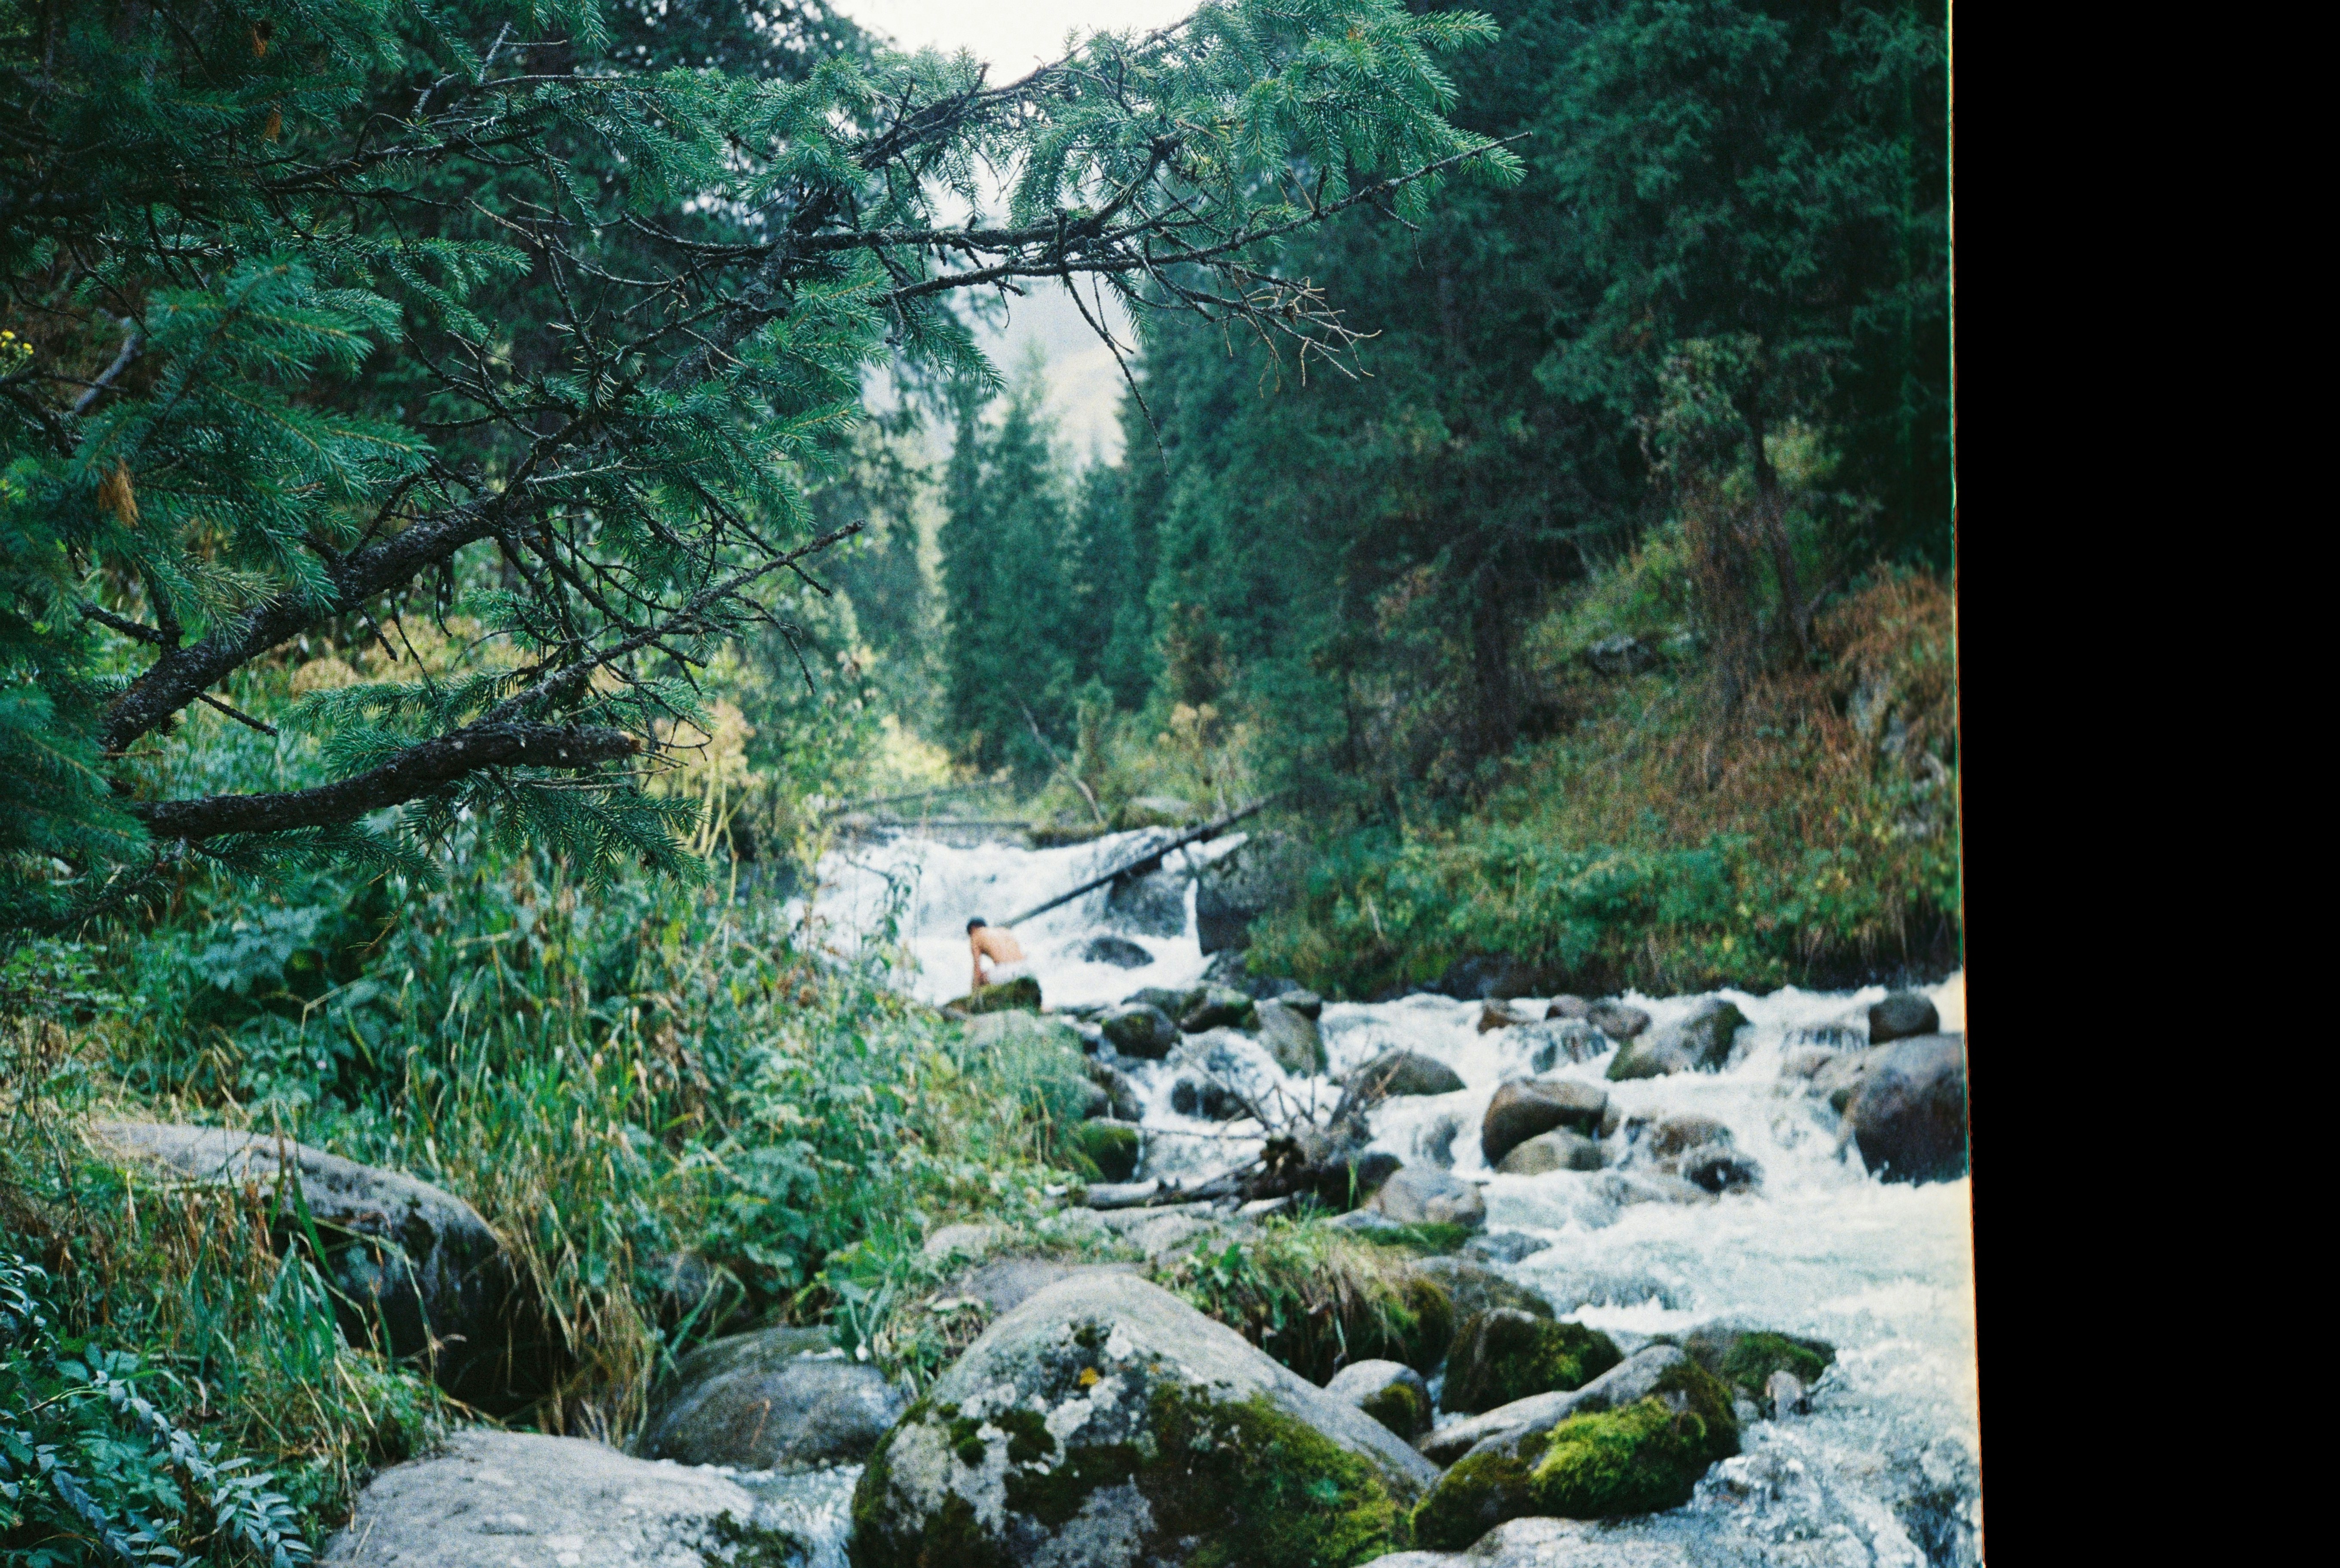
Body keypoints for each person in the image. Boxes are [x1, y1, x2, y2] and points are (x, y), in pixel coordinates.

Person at [968, 917, 1032, 993]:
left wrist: (973, 992)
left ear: (973, 929)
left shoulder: (976, 935)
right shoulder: (1003, 930)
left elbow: (977, 969)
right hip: (1026, 968)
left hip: (1008, 972)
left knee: (982, 979)